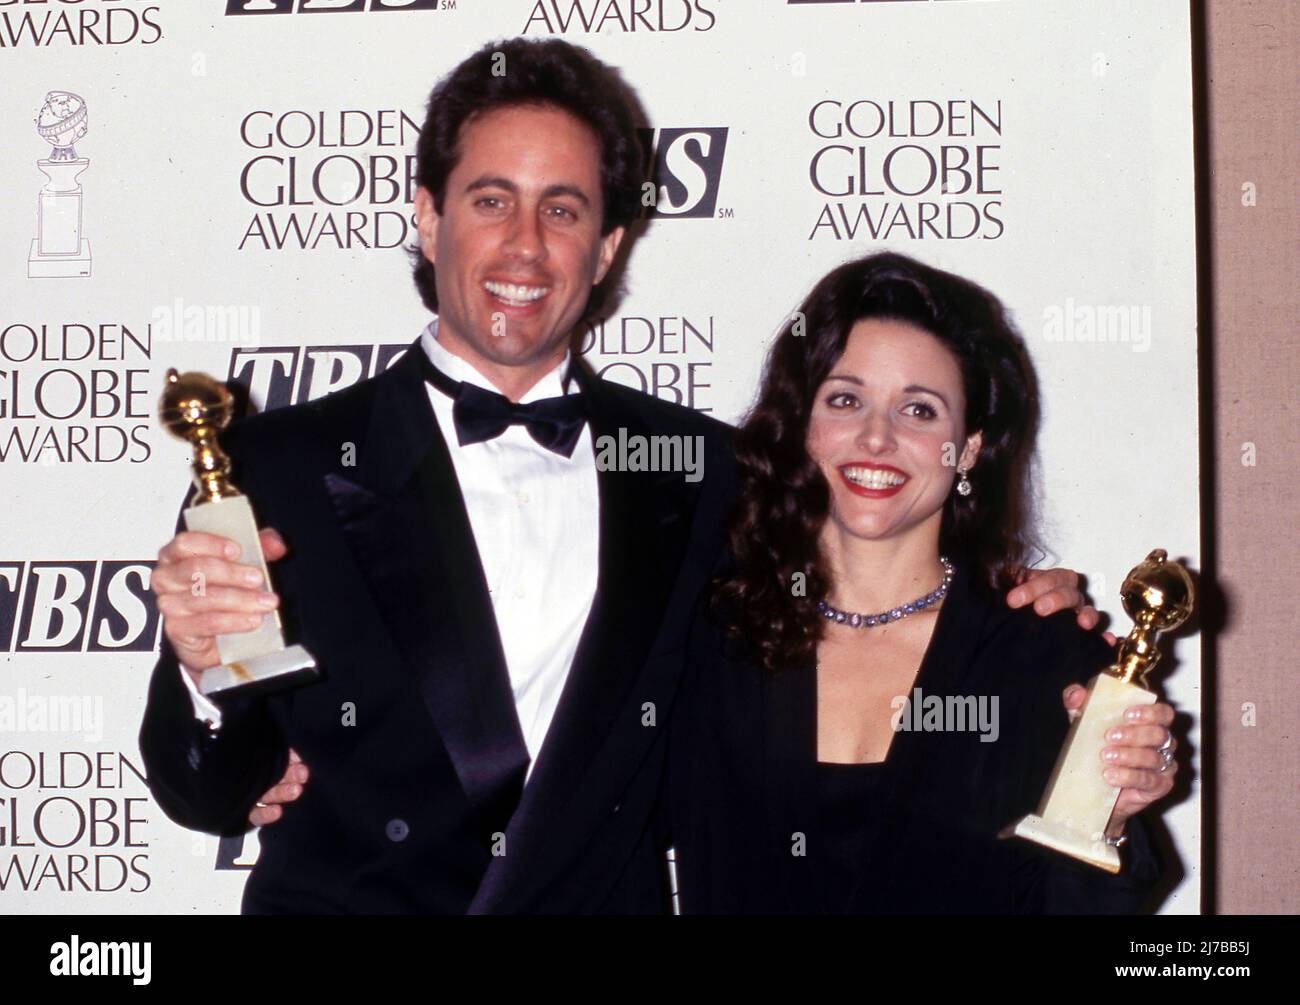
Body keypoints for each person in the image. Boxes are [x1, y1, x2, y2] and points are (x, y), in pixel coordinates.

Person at [140, 39, 1154, 915]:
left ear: (609, 245)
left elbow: (875, 568)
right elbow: (206, 791)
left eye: (564, 209)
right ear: (427, 215)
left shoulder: (703, 474)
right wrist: (198, 675)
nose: (525, 246)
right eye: (491, 200)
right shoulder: (279, 468)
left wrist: (1018, 609)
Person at [667, 252, 1179, 913]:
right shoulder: (711, 633)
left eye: (920, 410)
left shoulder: (1043, 656)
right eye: (845, 399)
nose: (876, 437)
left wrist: (1110, 814)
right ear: (802, 423)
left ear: (967, 448)